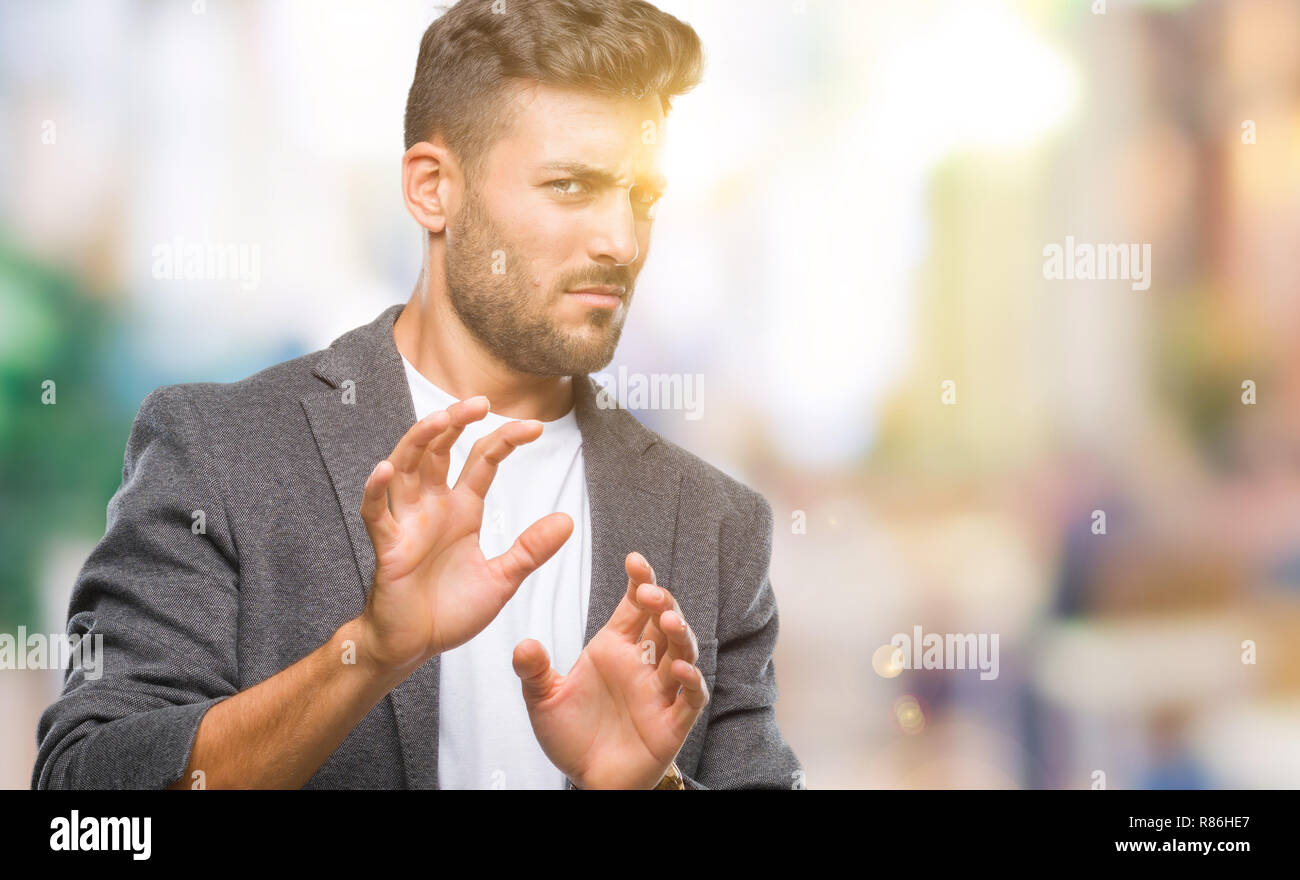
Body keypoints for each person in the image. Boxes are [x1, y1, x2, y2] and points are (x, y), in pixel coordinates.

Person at [33, 0, 801, 790]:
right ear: (433, 189)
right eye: (572, 187)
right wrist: (369, 651)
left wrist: (652, 787)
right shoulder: (219, 454)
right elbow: (85, 808)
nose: (622, 241)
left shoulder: (716, 525)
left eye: (641, 198)